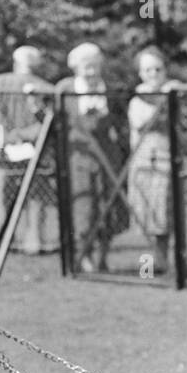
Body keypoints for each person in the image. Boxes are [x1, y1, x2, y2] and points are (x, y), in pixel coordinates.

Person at [56, 42, 128, 273]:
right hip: (79, 157)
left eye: (95, 65)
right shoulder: (66, 88)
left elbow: (121, 122)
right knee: (83, 207)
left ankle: (103, 257)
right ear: (76, 67)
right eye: (86, 65)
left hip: (108, 156)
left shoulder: (110, 89)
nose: (91, 70)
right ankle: (82, 256)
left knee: (107, 206)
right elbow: (54, 120)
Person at [0, 45, 55, 253]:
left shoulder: (0, 81)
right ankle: (34, 242)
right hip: (34, 146)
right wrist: (24, 135)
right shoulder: (45, 86)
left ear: (16, 62)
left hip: (3, 144)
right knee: (36, 195)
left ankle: (3, 241)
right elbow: (46, 120)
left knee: (2, 193)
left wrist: (9, 135)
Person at [127, 46, 175, 275]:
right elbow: (145, 122)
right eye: (148, 70)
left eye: (158, 69)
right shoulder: (137, 100)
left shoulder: (172, 93)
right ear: (140, 73)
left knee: (165, 216)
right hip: (144, 164)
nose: (153, 74)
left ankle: (165, 263)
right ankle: (147, 268)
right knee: (145, 217)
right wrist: (164, 101)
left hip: (167, 163)